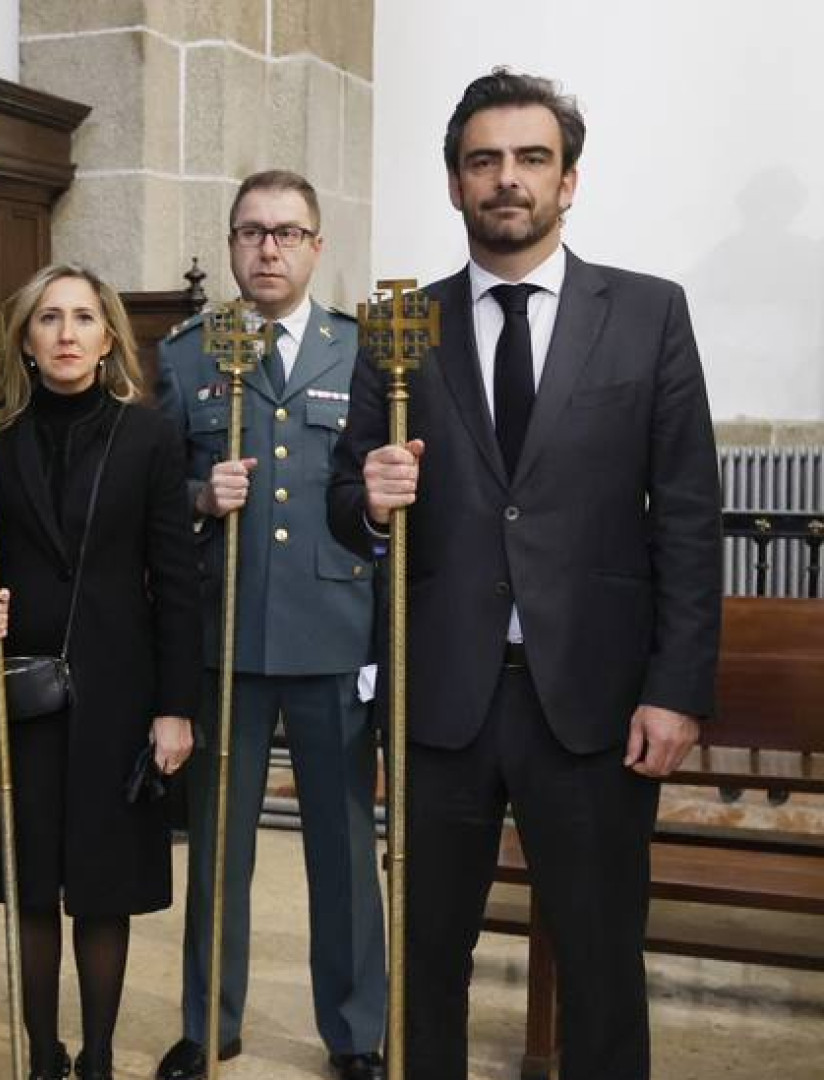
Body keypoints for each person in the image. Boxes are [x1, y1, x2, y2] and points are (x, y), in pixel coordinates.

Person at [328, 68, 721, 1079]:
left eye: (531, 159)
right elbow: (346, 503)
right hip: (438, 705)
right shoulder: (398, 329)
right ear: (456, 183)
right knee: (426, 964)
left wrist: (675, 691)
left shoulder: (646, 315)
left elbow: (684, 516)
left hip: (591, 704)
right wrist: (370, 498)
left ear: (569, 180)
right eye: (484, 161)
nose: (509, 180)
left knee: (600, 963)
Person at [152, 171, 386, 1080]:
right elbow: (152, 498)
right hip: (228, 639)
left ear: (317, 247)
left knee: (342, 848)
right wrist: (199, 496)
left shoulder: (358, 352)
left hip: (334, 632)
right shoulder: (184, 355)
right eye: (252, 233)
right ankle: (210, 1023)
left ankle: (356, 1032)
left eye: (289, 233)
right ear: (234, 242)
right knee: (219, 850)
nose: (269, 250)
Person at [0, 263, 200, 1080]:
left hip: (117, 687)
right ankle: (43, 1055)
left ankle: (95, 1056)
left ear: (108, 338)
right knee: (30, 883)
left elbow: (177, 579)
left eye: (83, 318)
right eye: (49, 318)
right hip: (19, 687)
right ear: (24, 338)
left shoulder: (150, 436)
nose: (66, 333)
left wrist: (175, 707)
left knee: (102, 882)